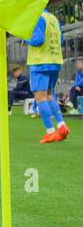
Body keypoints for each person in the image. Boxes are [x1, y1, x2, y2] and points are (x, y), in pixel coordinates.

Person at [26, 10, 69, 143]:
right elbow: (61, 39)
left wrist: (25, 39)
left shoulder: (38, 17)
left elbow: (38, 40)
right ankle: (62, 126)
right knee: (50, 95)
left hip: (40, 63)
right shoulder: (53, 18)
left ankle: (50, 132)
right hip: (55, 61)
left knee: (41, 98)